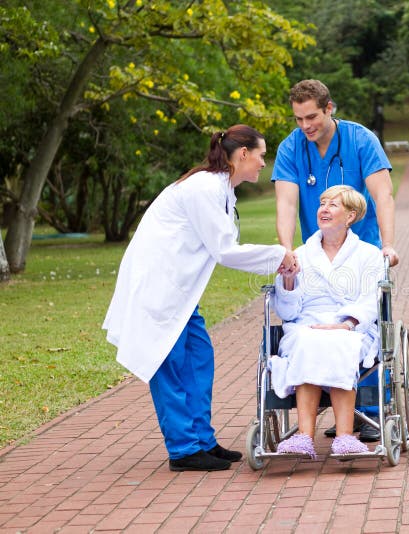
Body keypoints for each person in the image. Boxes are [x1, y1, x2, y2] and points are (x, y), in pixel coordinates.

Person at [103, 125, 296, 472]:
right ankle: (184, 449)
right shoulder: (204, 188)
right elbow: (224, 250)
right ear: (242, 155)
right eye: (261, 156)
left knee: (198, 358)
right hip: (160, 287)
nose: (263, 164)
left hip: (180, 291)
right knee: (171, 364)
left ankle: (202, 440)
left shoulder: (219, 188)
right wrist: (278, 255)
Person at [271, 79, 398, 442]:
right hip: (317, 251)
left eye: (311, 116)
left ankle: (369, 413)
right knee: (314, 323)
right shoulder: (291, 148)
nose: (305, 126)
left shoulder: (361, 140)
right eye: (298, 119)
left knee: (366, 325)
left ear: (330, 109)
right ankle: (332, 413)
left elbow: (383, 195)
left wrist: (387, 246)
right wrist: (287, 251)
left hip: (363, 249)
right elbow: (286, 203)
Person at [269, 185, 383, 457]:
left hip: (351, 327)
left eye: (333, 204)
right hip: (306, 325)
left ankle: (344, 437)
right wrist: (288, 281)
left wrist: (346, 323)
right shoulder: (299, 255)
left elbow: (372, 299)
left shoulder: (369, 255)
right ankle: (303, 437)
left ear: (351, 215)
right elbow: (287, 312)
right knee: (308, 340)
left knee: (339, 341)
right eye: (322, 203)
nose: (324, 208)